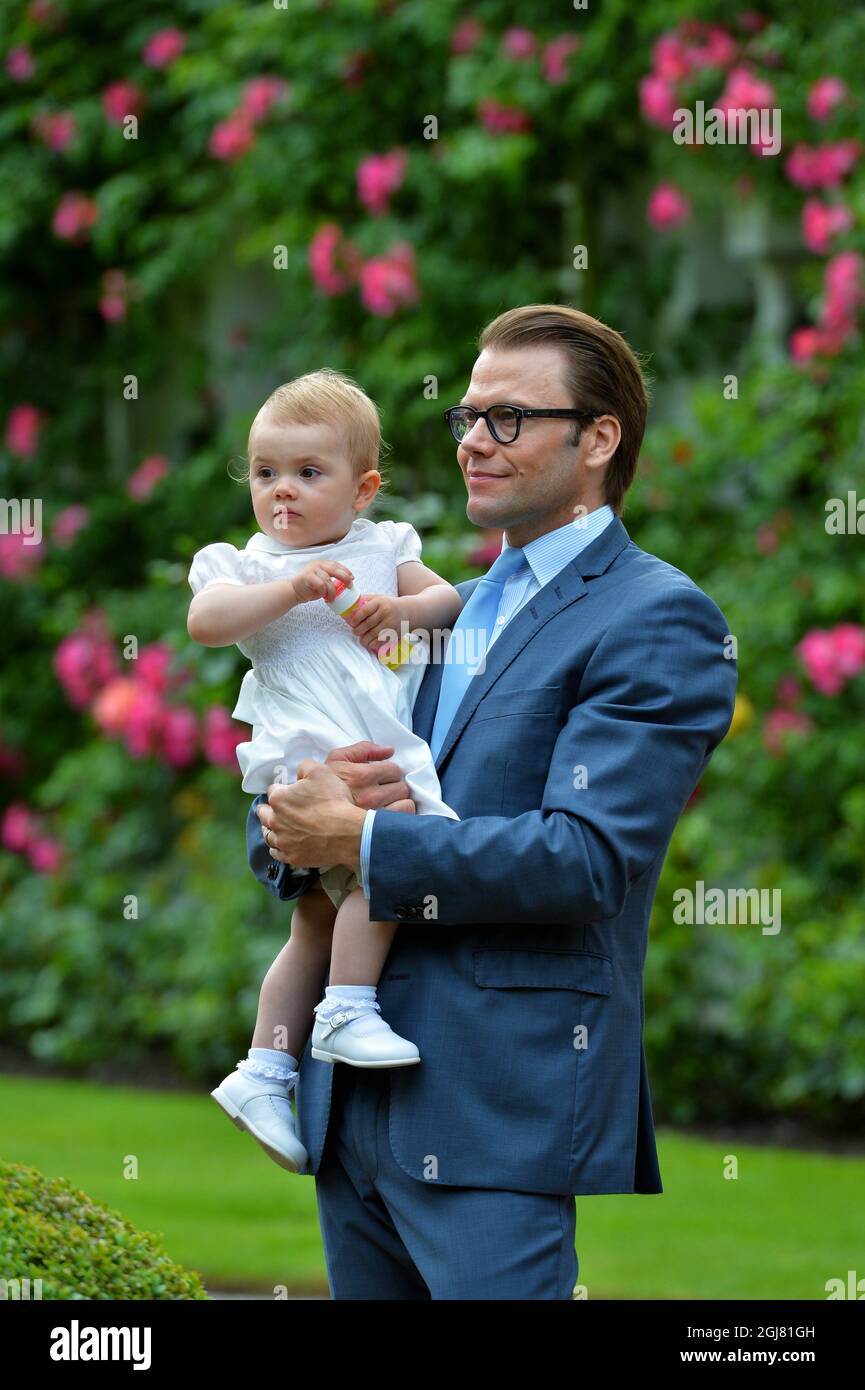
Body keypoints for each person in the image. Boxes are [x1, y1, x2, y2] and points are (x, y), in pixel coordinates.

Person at [247, 303, 738, 1300]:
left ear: (597, 438)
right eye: (468, 415)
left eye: (507, 418)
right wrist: (297, 818)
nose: (473, 440)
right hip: (353, 1110)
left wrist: (367, 836)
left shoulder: (658, 618)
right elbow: (322, 818)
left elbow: (587, 859)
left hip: (493, 1109)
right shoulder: (438, 607)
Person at [188, 368, 463, 1173]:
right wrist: (288, 586)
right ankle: (345, 1007)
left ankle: (264, 1068)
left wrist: (402, 613)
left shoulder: (384, 549)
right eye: (266, 473)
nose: (282, 492)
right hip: (302, 758)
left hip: (373, 747)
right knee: (388, 848)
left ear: (364, 487)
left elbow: (449, 600)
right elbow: (207, 624)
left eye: (308, 474)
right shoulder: (242, 564)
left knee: (316, 918)